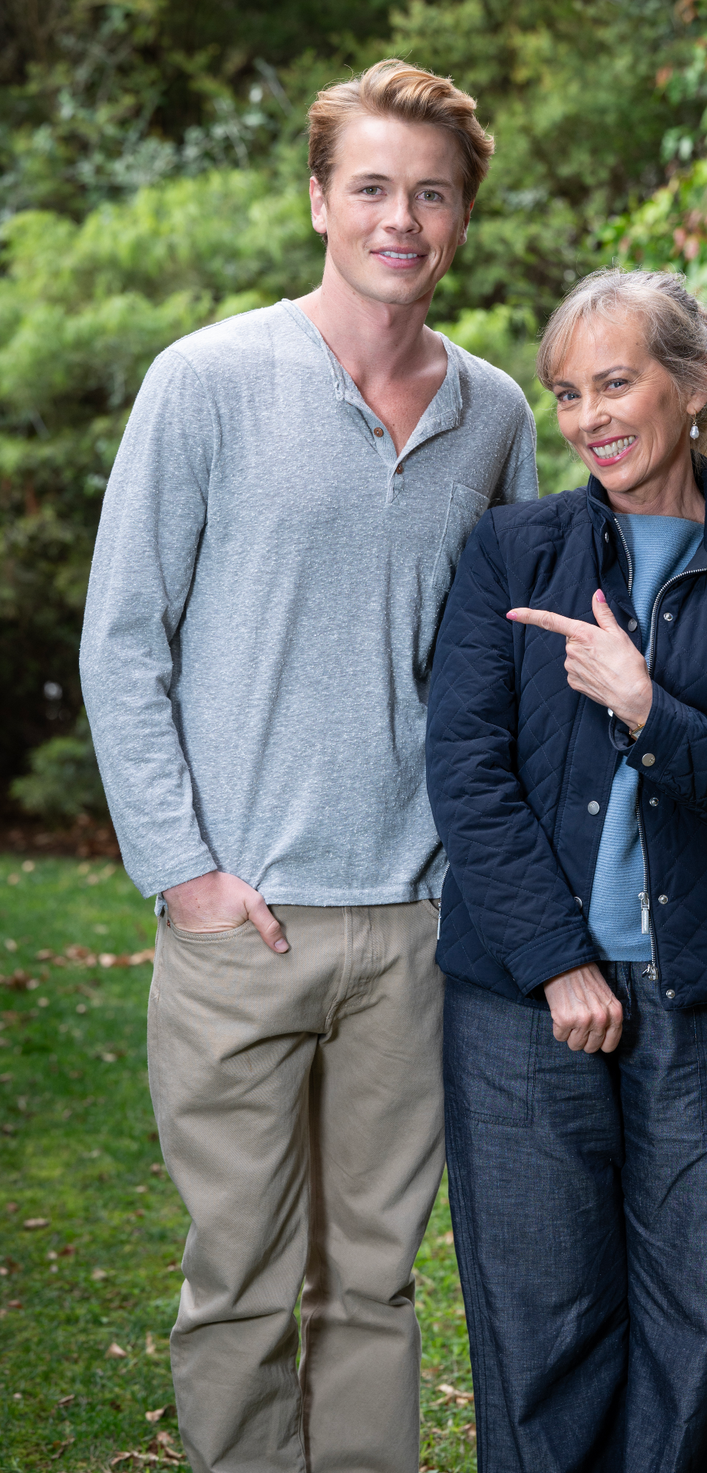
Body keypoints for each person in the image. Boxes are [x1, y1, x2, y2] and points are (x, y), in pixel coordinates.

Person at [79, 58, 538, 1473]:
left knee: (377, 1283)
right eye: (375, 188)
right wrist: (189, 876)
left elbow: (502, 674)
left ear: (461, 218)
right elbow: (121, 642)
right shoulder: (208, 380)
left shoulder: (499, 416)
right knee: (238, 1286)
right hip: (243, 919)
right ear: (322, 201)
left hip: (418, 924)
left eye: (434, 194)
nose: (403, 218)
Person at [426, 267, 707, 1472]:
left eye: (616, 381)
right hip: (520, 1005)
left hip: (704, 998)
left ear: (691, 385)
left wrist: (650, 709)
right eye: (566, 393)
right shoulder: (512, 553)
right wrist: (556, 965)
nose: (590, 416)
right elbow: (466, 778)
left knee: (706, 1325)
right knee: (539, 1329)